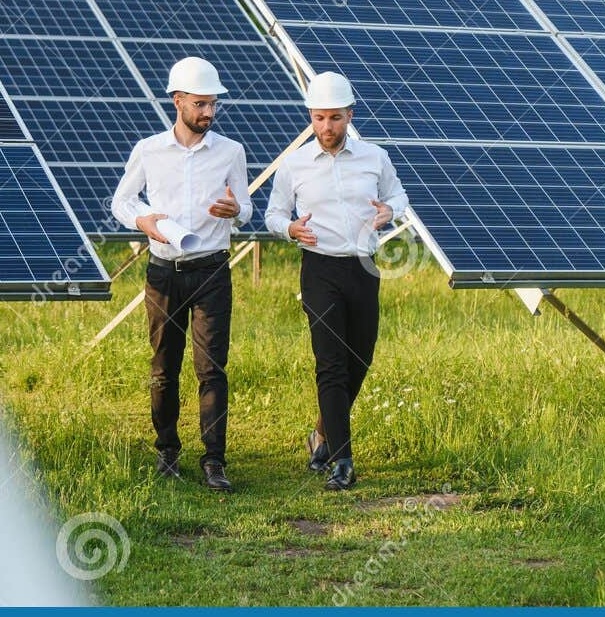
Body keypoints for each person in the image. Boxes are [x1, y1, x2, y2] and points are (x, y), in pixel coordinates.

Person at [111, 57, 252, 491]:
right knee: (163, 367)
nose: (208, 113)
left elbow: (245, 210)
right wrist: (143, 222)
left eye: (212, 105)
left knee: (211, 369)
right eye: (200, 104)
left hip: (212, 271)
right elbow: (122, 200)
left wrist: (237, 211)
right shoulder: (149, 150)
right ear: (178, 102)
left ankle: (215, 461)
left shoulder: (231, 152)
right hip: (163, 271)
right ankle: (167, 451)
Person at [264, 71, 407, 491]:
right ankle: (342, 461)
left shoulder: (374, 157)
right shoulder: (294, 165)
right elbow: (274, 214)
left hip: (363, 267)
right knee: (330, 363)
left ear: (350, 115)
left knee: (359, 360)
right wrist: (290, 230)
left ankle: (322, 435)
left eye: (336, 118)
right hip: (319, 267)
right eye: (320, 118)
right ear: (311, 116)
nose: (327, 127)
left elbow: (399, 195)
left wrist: (389, 212)